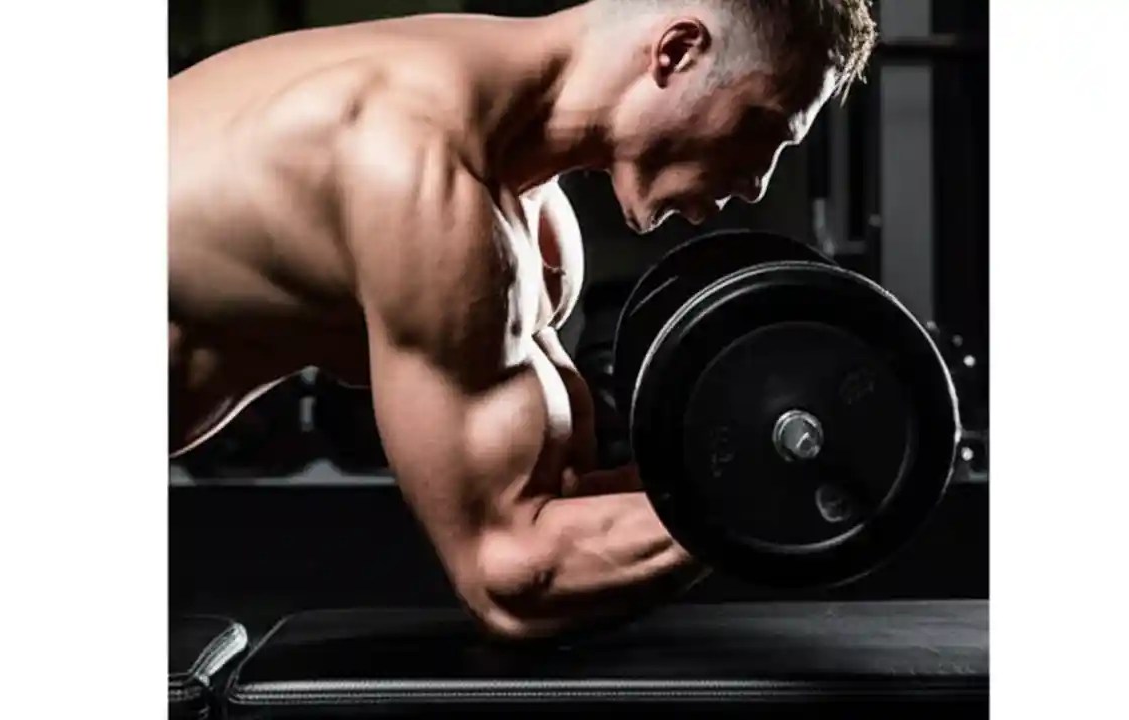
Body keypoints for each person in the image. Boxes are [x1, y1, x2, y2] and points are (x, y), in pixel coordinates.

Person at [168, 0, 876, 640]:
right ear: (676, 52)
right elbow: (511, 580)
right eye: (761, 130)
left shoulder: (532, 212)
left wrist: (754, 467)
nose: (756, 184)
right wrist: (756, 493)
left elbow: (556, 502)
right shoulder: (416, 171)